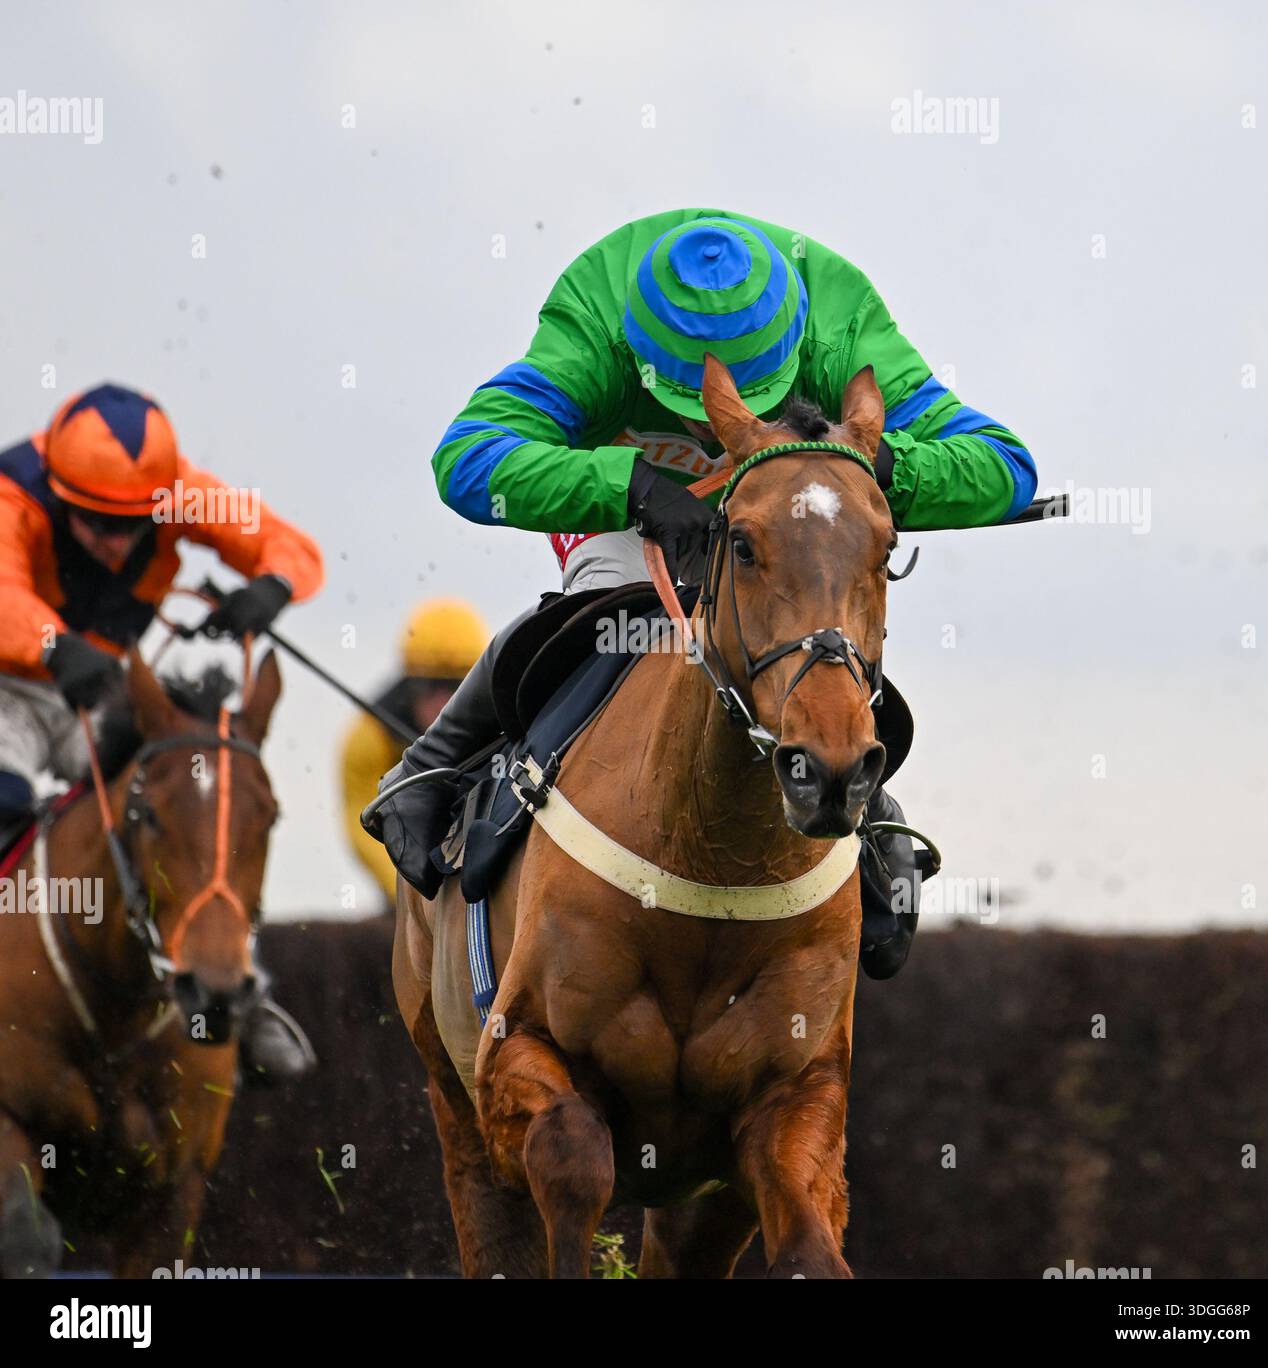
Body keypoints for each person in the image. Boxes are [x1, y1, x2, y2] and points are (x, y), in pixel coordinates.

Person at [369, 209, 1036, 979]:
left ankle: (871, 807)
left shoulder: (842, 320)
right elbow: (468, 459)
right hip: (634, 516)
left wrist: (866, 466)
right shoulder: (596, 316)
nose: (716, 427)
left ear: (792, 345)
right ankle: (430, 766)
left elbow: (1003, 465)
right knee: (615, 613)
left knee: (812, 621)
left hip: (787, 520)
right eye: (694, 404)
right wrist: (632, 486)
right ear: (639, 355)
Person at [0, 382, 324, 1078]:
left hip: (101, 692)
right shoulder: (13, 492)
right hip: (10, 693)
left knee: (189, 799)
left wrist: (266, 589)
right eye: (94, 522)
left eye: (133, 525)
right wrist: (55, 647)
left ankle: (235, 994)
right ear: (59, 497)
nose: (116, 543)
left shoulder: (183, 492)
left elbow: (288, 545)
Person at [340, 599, 489, 904]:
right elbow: (362, 827)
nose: (442, 703)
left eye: (457, 688)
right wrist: (414, 895)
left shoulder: (504, 726)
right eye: (429, 687)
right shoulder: (368, 738)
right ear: (409, 686)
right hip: (412, 895)